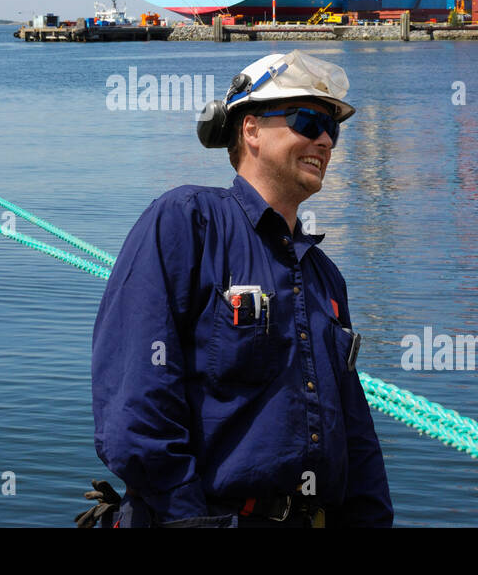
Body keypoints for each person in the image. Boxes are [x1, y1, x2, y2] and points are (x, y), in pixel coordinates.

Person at [89, 49, 394, 527]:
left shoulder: (325, 278)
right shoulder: (187, 222)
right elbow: (135, 406)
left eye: (333, 128)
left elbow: (354, 430)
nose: (325, 141)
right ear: (250, 130)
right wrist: (189, 521)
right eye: (308, 120)